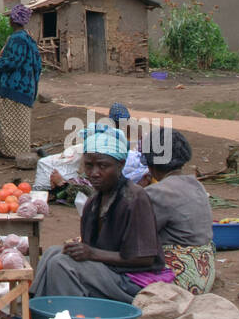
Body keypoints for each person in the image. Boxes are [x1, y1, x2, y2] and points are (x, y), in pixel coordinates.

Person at [30, 125, 168, 303]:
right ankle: (34, 306)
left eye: (103, 166)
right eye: (89, 165)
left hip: (132, 280)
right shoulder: (94, 202)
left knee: (61, 265)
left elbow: (144, 258)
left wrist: (91, 253)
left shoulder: (134, 198)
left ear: (121, 165)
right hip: (108, 270)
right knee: (53, 253)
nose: (94, 173)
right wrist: (84, 252)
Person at [143, 129, 216, 294]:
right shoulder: (196, 185)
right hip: (205, 271)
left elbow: (137, 237)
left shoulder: (158, 192)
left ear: (150, 163)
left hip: (181, 280)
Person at [0, 3, 41, 169]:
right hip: (26, 86)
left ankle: (13, 152)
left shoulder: (17, 38)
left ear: (13, 20)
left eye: (10, 18)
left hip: (16, 86)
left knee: (12, 121)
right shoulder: (27, 37)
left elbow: (14, 62)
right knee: (17, 120)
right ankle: (12, 150)